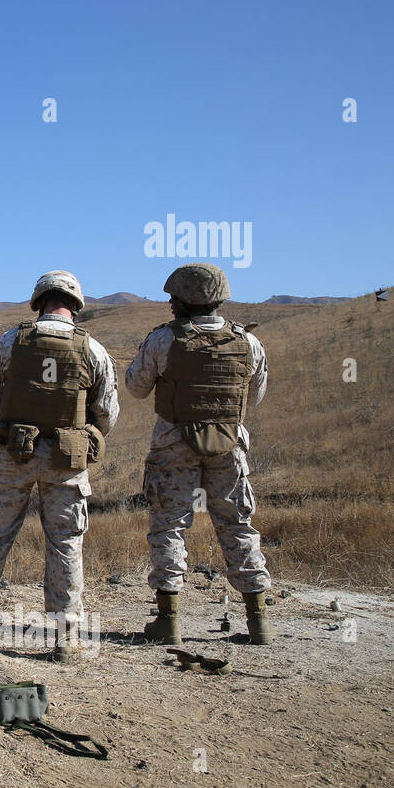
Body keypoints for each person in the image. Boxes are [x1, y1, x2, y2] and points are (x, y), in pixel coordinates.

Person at [0, 271, 119, 661]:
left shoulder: (9, 341)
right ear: (76, 306)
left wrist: (13, 417)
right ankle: (66, 639)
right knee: (66, 544)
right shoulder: (95, 350)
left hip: (12, 453)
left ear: (38, 302)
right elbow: (107, 412)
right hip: (66, 460)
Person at [125, 262, 272, 645]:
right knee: (238, 526)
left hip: (174, 443)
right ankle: (258, 622)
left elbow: (137, 388)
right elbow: (253, 396)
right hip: (230, 444)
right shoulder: (248, 342)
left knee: (169, 527)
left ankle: (168, 621)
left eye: (175, 297)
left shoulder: (163, 340)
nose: (170, 303)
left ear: (188, 301)